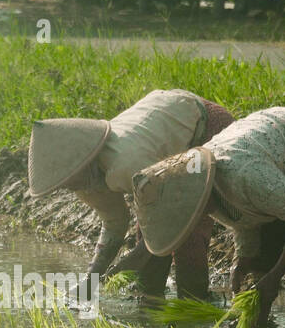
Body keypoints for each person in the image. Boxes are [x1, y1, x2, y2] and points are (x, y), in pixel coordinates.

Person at [130, 106, 285, 328]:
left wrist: (277, 274)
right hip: (274, 165)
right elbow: (244, 217)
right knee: (259, 266)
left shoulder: (243, 175)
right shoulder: (203, 182)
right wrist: (242, 260)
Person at [27, 89, 234, 301]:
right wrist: (91, 280)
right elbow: (114, 222)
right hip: (160, 157)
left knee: (189, 237)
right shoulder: (84, 182)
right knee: (146, 244)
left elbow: (175, 215)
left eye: (67, 179)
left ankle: (194, 310)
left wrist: (131, 261)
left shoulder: (126, 162)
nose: (67, 187)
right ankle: (151, 305)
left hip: (204, 127)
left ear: (81, 163)